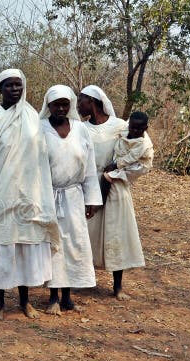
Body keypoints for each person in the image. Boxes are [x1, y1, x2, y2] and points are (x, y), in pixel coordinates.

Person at [0, 69, 60, 321]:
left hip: (27, 193)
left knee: (24, 248)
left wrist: (39, 192)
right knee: (2, 246)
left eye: (18, 85)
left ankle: (25, 301)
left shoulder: (32, 117)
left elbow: (39, 158)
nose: (14, 89)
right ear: (0, 88)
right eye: (9, 85)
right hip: (0, 193)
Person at [38, 85, 102, 315]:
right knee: (53, 246)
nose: (61, 109)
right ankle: (53, 297)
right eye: (56, 104)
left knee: (74, 245)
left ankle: (67, 297)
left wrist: (91, 198)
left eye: (65, 104)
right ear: (49, 105)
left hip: (74, 196)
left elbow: (90, 167)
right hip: (48, 195)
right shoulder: (40, 129)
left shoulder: (80, 129)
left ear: (71, 105)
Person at [77, 85, 130, 299]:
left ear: (91, 101)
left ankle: (117, 286)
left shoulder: (120, 126)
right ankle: (83, 278)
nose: (78, 106)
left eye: (81, 100)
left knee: (115, 233)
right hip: (89, 184)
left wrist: (116, 166)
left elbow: (137, 151)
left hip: (115, 184)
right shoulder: (81, 128)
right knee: (86, 233)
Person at [99, 111, 154, 299]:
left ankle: (118, 286)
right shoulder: (121, 132)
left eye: (139, 129)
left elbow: (134, 167)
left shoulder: (144, 146)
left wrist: (115, 168)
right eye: (133, 127)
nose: (135, 131)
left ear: (146, 129)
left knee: (118, 236)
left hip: (119, 190)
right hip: (100, 187)